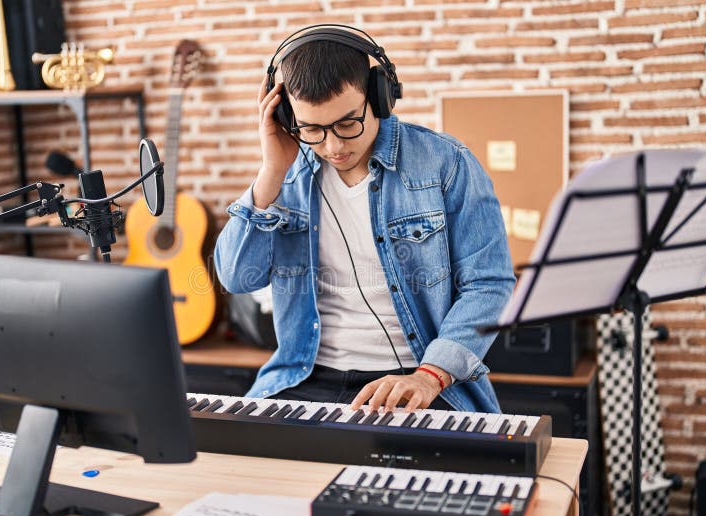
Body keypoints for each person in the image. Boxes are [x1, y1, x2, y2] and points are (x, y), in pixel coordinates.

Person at [214, 25, 515, 414]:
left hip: (417, 379)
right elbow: (238, 277)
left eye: (346, 123)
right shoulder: (283, 174)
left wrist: (430, 375)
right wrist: (271, 171)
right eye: (312, 129)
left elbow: (489, 283)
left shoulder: (446, 163)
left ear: (379, 96)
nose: (333, 146)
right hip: (305, 378)